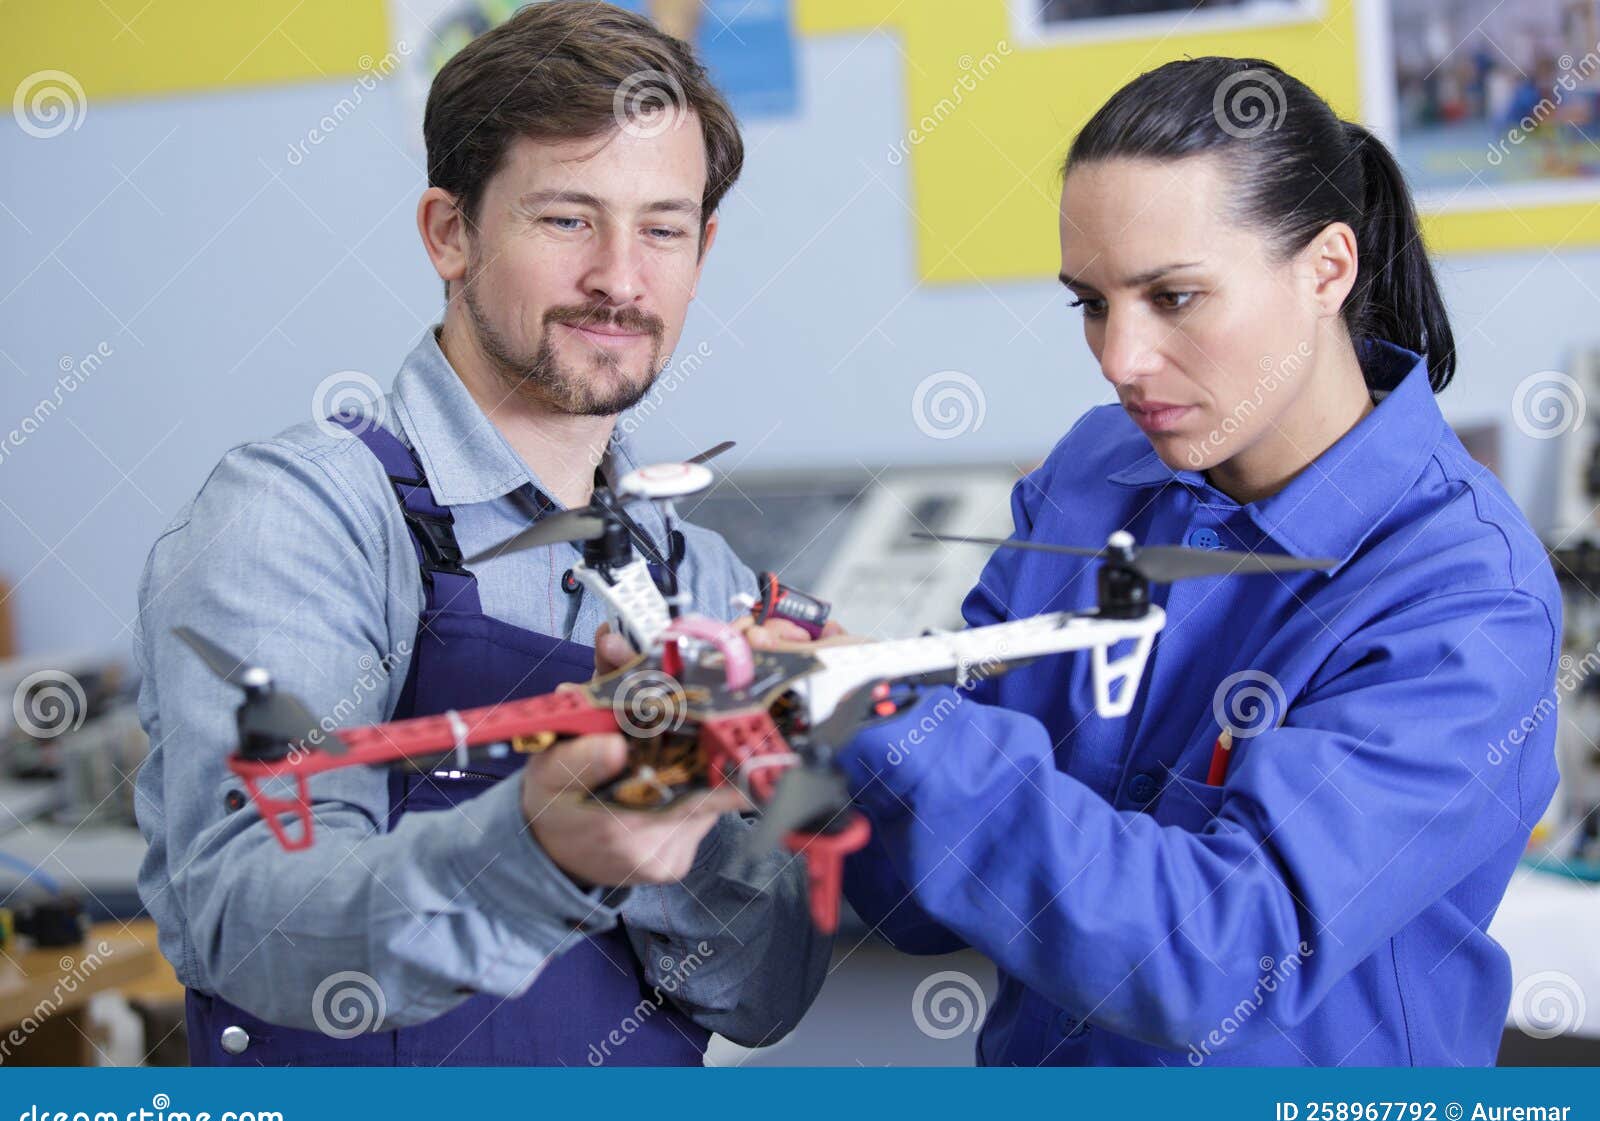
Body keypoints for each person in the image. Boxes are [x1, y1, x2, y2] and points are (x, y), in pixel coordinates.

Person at [134, 0, 827, 1067]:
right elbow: (250, 918)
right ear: (449, 233)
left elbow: (766, 993)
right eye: (567, 219)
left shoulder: (700, 580)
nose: (620, 278)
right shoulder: (304, 517)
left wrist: (667, 828)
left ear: (704, 247)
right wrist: (540, 849)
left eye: (662, 228)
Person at [838, 57, 1561, 1066]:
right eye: (1090, 304)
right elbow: (917, 893)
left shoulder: (1466, 595)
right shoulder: (1092, 475)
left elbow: (1223, 956)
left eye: (1173, 296)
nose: (1120, 360)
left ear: (1327, 270)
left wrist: (886, 719)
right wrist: (802, 730)